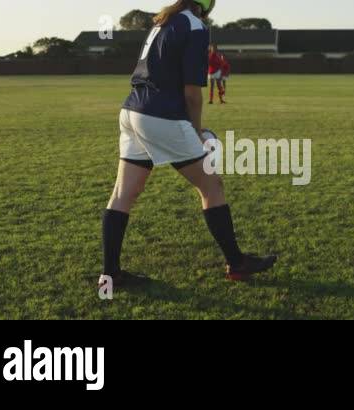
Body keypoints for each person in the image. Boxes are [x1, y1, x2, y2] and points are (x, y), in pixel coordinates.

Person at [100, 0, 277, 287]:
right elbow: (193, 94)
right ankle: (236, 262)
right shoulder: (195, 26)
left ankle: (110, 275)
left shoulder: (163, 21)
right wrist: (196, 132)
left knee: (123, 194)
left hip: (131, 111)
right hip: (162, 116)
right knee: (211, 186)